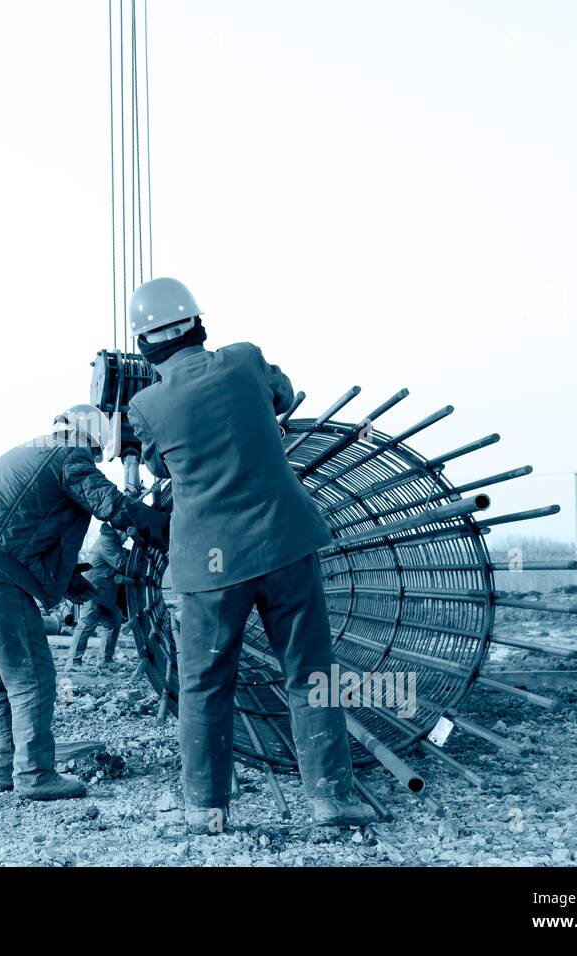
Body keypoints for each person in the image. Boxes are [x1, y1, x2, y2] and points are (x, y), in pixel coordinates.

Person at [125, 276, 377, 834]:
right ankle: (332, 799)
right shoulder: (244, 360)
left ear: (145, 347)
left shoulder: (146, 405)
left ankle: (206, 809)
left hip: (211, 564)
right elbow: (282, 396)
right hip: (284, 543)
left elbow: (161, 467)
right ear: (198, 323)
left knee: (206, 682)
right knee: (312, 671)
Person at [0, 405, 168, 801]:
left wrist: (68, 582)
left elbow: (21, 528)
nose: (97, 458)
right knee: (33, 678)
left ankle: (4, 772)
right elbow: (110, 504)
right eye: (98, 450)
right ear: (87, 436)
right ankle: (34, 775)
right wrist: (161, 527)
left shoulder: (31, 452)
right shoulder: (67, 455)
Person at [66, 523, 127, 668]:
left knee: (114, 624)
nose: (126, 538)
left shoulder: (113, 543)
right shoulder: (105, 542)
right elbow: (120, 563)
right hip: (93, 590)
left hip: (105, 593)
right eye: (126, 535)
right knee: (86, 624)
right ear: (119, 531)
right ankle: (73, 662)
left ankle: (105, 660)